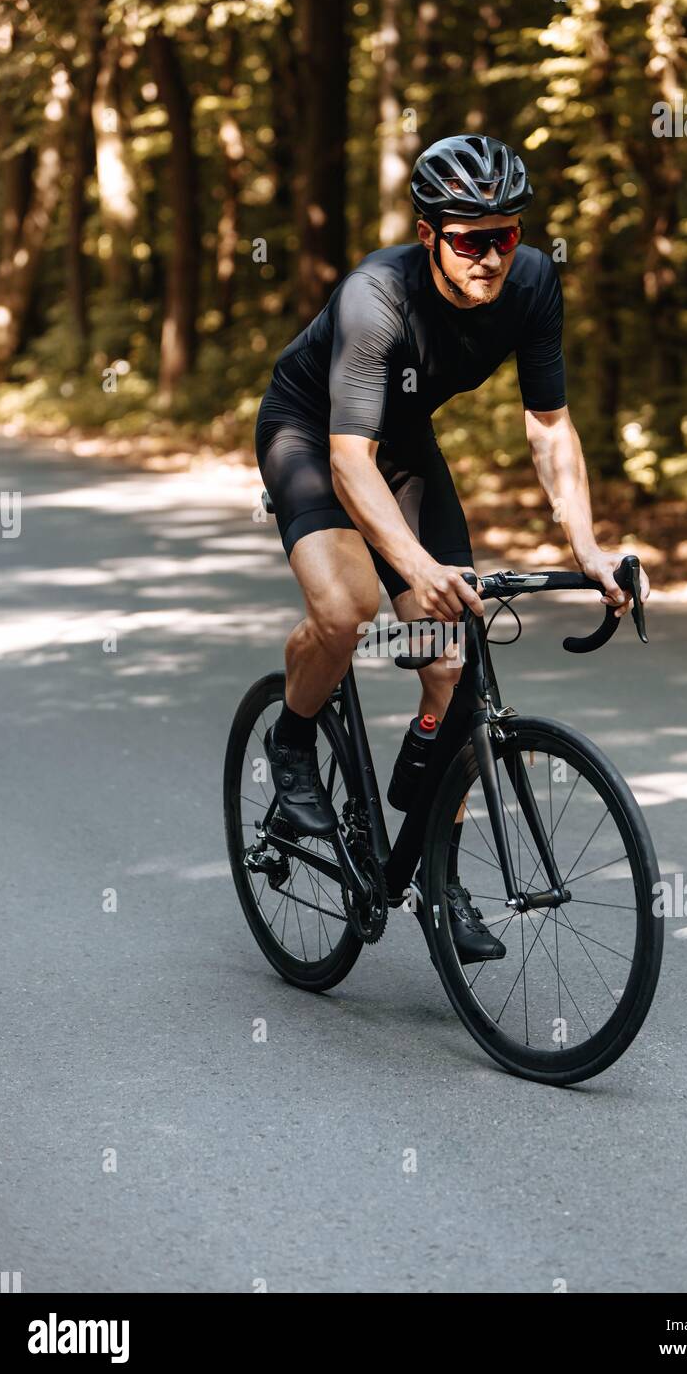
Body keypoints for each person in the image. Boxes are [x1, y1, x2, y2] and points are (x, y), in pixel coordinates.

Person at [255, 133, 649, 961]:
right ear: (430, 233)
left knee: (452, 666)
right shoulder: (376, 296)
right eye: (471, 239)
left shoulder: (534, 283)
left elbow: (548, 424)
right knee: (350, 606)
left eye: (505, 235)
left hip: (400, 450)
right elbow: (347, 461)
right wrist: (417, 567)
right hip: (313, 437)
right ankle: (291, 741)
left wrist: (586, 546)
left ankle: (440, 878)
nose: (492, 256)